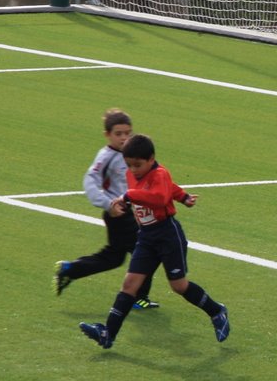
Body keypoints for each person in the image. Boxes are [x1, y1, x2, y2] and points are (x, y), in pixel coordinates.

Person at [78, 134, 229, 349]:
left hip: (167, 235)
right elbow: (162, 190)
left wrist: (130, 196)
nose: (133, 170)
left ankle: (217, 311)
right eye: (129, 165)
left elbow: (160, 197)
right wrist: (183, 196)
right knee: (130, 284)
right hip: (146, 237)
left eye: (138, 165)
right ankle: (107, 333)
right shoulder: (133, 174)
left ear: (151, 159)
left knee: (178, 286)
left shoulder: (160, 174)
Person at [55, 108, 156, 308]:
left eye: (127, 133)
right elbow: (90, 181)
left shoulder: (133, 153)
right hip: (119, 212)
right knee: (146, 251)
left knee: (114, 257)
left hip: (131, 212)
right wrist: (108, 204)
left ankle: (71, 269)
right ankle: (138, 297)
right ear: (107, 135)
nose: (124, 138)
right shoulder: (106, 156)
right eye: (118, 134)